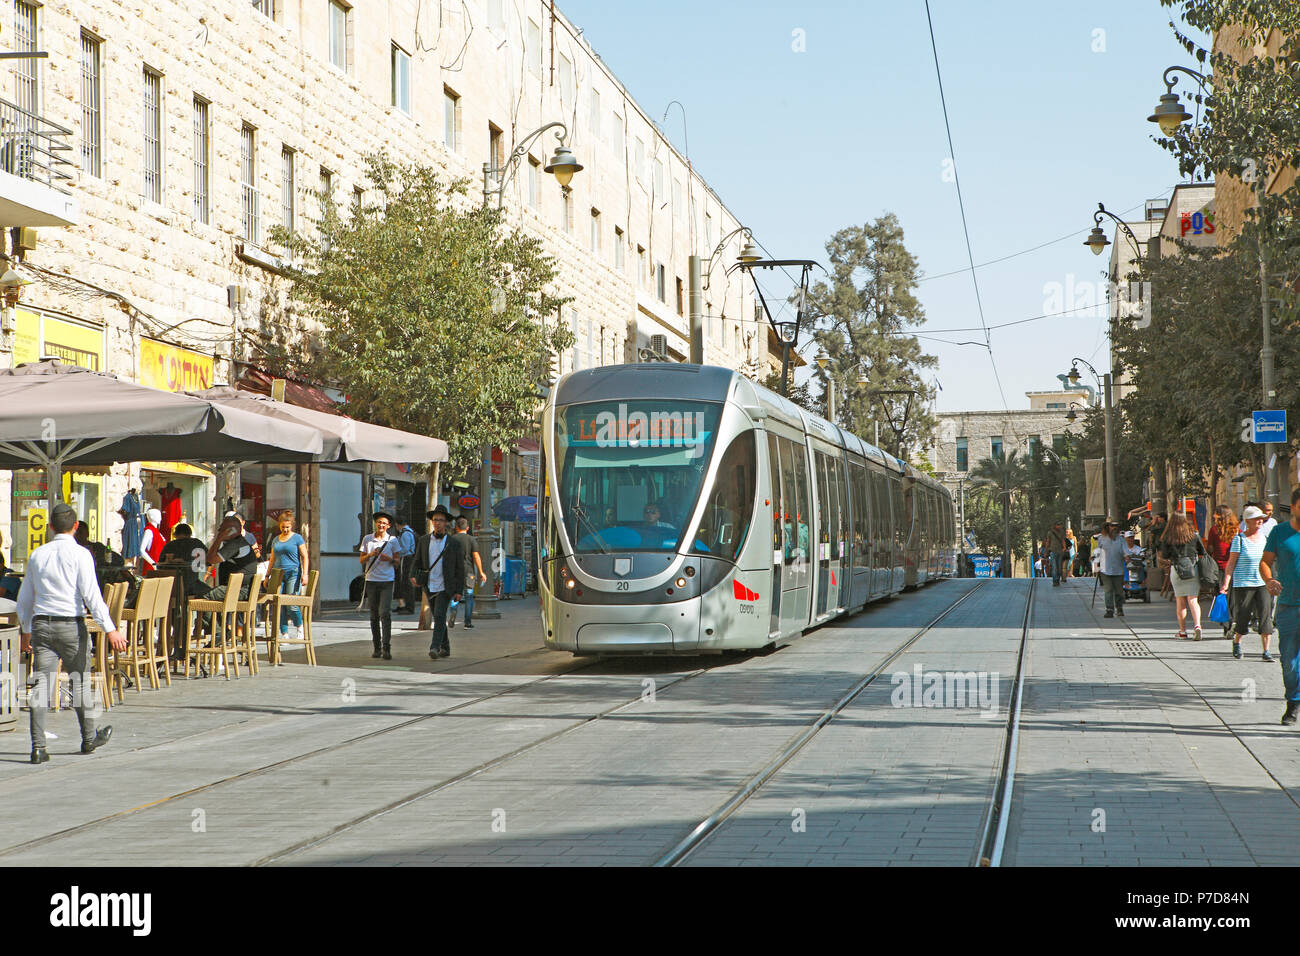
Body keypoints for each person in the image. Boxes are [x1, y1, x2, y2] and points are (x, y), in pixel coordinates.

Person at [17, 502, 125, 763]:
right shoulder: (81, 555)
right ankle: (88, 739)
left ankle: (38, 747)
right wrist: (110, 629)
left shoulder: (38, 555)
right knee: (80, 683)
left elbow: (25, 599)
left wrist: (26, 630)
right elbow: (92, 596)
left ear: (50, 526)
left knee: (41, 686)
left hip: (42, 625)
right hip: (71, 626)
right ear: (76, 527)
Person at [1263, 487, 1300, 724]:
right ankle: (1293, 702)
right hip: (1288, 607)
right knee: (1290, 662)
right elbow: (1266, 562)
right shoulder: (1279, 532)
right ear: (1294, 506)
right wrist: (1269, 580)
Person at [1219, 505, 1273, 661]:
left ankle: (1266, 651)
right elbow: (1231, 563)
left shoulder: (1264, 539)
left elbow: (1268, 561)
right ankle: (1237, 642)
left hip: (1262, 583)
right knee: (1243, 616)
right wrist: (1226, 583)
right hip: (1243, 584)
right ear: (1248, 521)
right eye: (1257, 519)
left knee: (1265, 616)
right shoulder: (1239, 540)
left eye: (1261, 519)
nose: (1260, 522)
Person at [411, 506, 464, 659]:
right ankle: (445, 647)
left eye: (441, 520)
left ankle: (434, 647)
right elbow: (417, 561)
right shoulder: (424, 540)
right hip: (429, 585)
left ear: (446, 522)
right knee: (438, 616)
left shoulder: (453, 543)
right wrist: (413, 575)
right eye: (435, 520)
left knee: (440, 615)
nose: (438, 523)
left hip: (445, 586)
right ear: (432, 522)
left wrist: (459, 590)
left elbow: (459, 568)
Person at [359, 512, 401, 659]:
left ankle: (386, 648)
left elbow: (397, 562)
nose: (381, 525)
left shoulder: (393, 540)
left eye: (384, 523)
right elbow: (361, 560)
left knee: (385, 613)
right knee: (374, 615)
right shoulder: (367, 539)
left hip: (387, 581)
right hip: (372, 581)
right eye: (379, 522)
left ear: (388, 526)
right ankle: (376, 647)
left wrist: (387, 558)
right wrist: (370, 555)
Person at [1159, 512, 1208, 640]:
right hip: (1192, 569)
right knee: (1193, 600)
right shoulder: (1194, 535)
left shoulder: (1168, 538)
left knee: (1180, 601)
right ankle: (1197, 626)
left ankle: (1182, 631)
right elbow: (1202, 552)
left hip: (1176, 570)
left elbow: (1164, 555)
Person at [269, 510, 308, 643]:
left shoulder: (297, 538)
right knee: (279, 604)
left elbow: (305, 556)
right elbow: (272, 558)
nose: (285, 529)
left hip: (293, 573)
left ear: (292, 526)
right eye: (283, 527)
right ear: (279, 526)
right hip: (278, 574)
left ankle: (299, 627)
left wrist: (305, 574)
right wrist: (267, 575)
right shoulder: (276, 539)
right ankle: (284, 633)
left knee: (291, 604)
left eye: (287, 527)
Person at [449, 516, 486, 629]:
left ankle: (453, 612)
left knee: (454, 594)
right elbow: (476, 556)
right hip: (468, 571)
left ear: (456, 527)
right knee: (469, 596)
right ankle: (467, 623)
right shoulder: (471, 539)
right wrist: (481, 572)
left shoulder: (451, 539)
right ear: (468, 527)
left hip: (454, 571)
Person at [1095, 519, 1137, 618]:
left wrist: (1127, 557)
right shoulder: (1102, 539)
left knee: (1119, 591)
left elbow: (1126, 551)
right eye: (1112, 526)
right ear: (1108, 527)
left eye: (1116, 526)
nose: (1114, 528)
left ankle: (1119, 608)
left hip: (1118, 569)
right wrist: (1096, 564)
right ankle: (1109, 609)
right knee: (1108, 590)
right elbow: (1098, 552)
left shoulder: (1121, 540)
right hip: (1105, 569)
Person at [392, 517, 417, 615]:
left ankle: (409, 607)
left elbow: (405, 549)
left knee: (406, 582)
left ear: (398, 525)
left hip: (406, 559)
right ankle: (404, 605)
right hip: (407, 558)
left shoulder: (405, 533)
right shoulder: (408, 532)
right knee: (404, 582)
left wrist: (396, 552)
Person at [139, 507, 166, 573]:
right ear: (152, 517)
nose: (160, 518)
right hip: (152, 567)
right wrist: (153, 563)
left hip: (160, 566)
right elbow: (141, 550)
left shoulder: (157, 532)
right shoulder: (149, 531)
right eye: (158, 516)